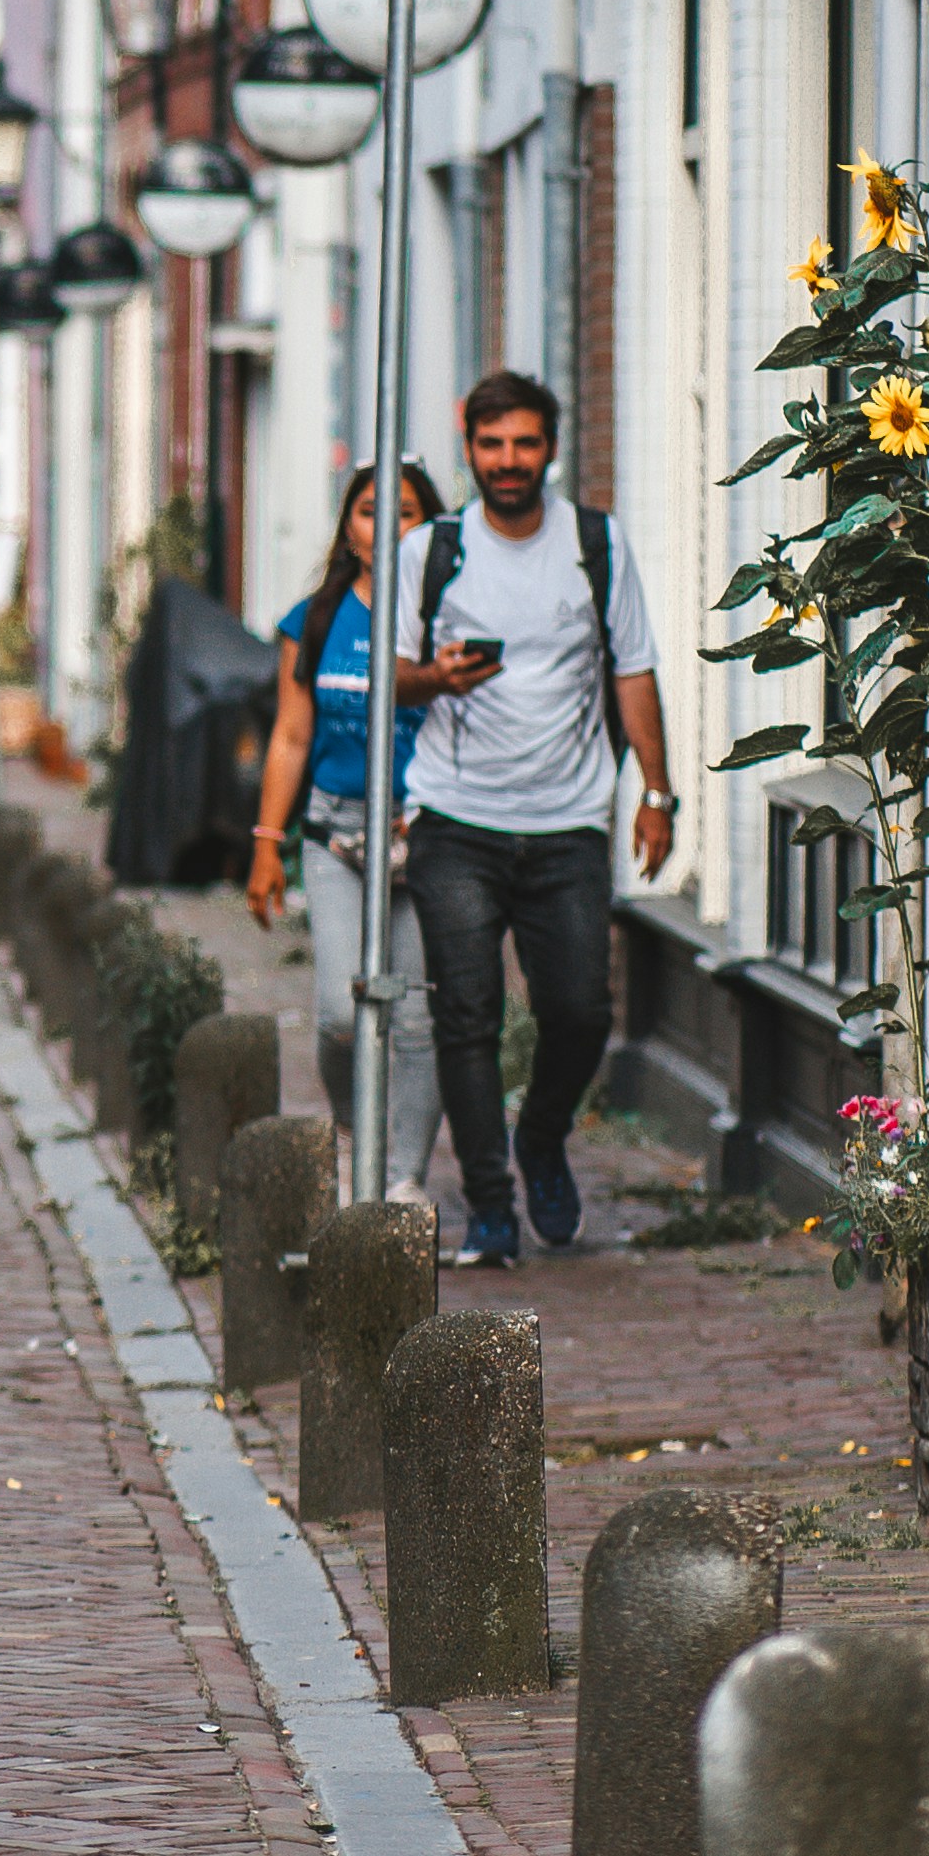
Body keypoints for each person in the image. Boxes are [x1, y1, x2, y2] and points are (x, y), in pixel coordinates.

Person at [388, 365, 676, 1268]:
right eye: (490, 444)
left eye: (523, 443)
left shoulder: (595, 543)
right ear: (467, 449)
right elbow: (392, 670)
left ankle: (540, 1137)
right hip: (455, 819)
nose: (507, 461)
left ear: (549, 449)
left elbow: (632, 668)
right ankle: (486, 1209)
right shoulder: (428, 551)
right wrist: (438, 678)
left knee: (581, 1010)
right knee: (465, 1016)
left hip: (568, 822)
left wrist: (657, 795)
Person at [246, 458, 445, 1191]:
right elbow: (290, 738)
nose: (385, 527)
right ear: (347, 526)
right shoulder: (316, 620)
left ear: (430, 526)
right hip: (333, 835)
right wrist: (266, 846)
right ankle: (360, 1139)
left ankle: (401, 1182)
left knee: (419, 1022)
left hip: (427, 837)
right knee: (338, 1012)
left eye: (404, 512)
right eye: (369, 511)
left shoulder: (451, 615)